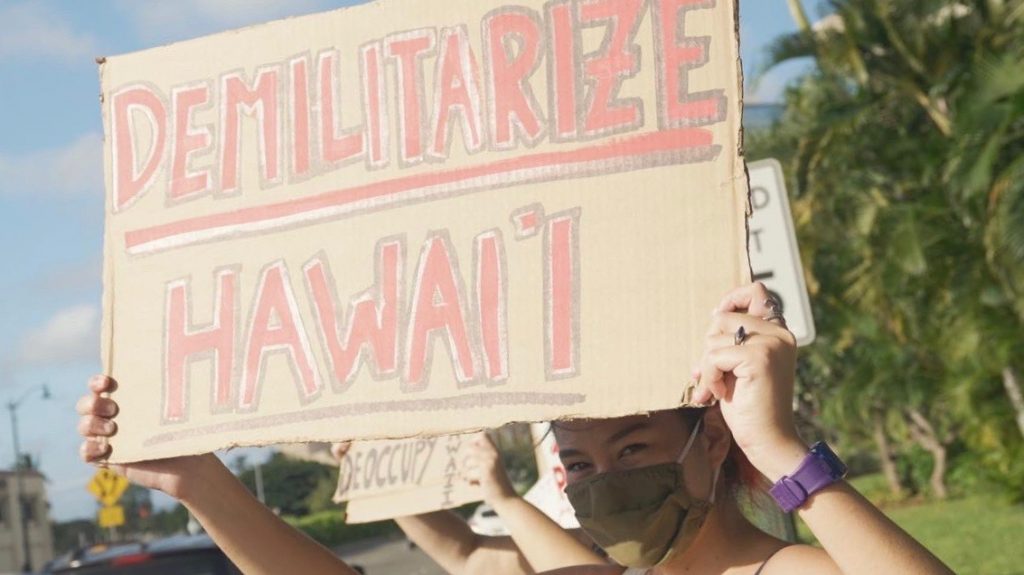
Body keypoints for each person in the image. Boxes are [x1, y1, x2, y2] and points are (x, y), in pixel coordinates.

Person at [77, 282, 955, 574]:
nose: (604, 478)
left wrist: (782, 450)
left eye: (635, 448)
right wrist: (196, 479)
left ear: (711, 437)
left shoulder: (783, 567)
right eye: (576, 460)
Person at [347, 433, 604, 574]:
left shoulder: (637, 555)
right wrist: (375, 468)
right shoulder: (597, 540)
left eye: (631, 450)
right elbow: (469, 555)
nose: (604, 475)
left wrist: (504, 500)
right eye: (578, 465)